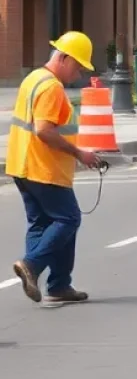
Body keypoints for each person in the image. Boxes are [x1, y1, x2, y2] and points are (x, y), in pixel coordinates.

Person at [9, 31, 102, 307]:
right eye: (77, 65)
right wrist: (78, 153)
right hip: (44, 168)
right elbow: (44, 131)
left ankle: (57, 284)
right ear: (62, 57)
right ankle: (33, 266)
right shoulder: (51, 87)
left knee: (41, 222)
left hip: (22, 165)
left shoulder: (33, 78)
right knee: (68, 219)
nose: (79, 73)